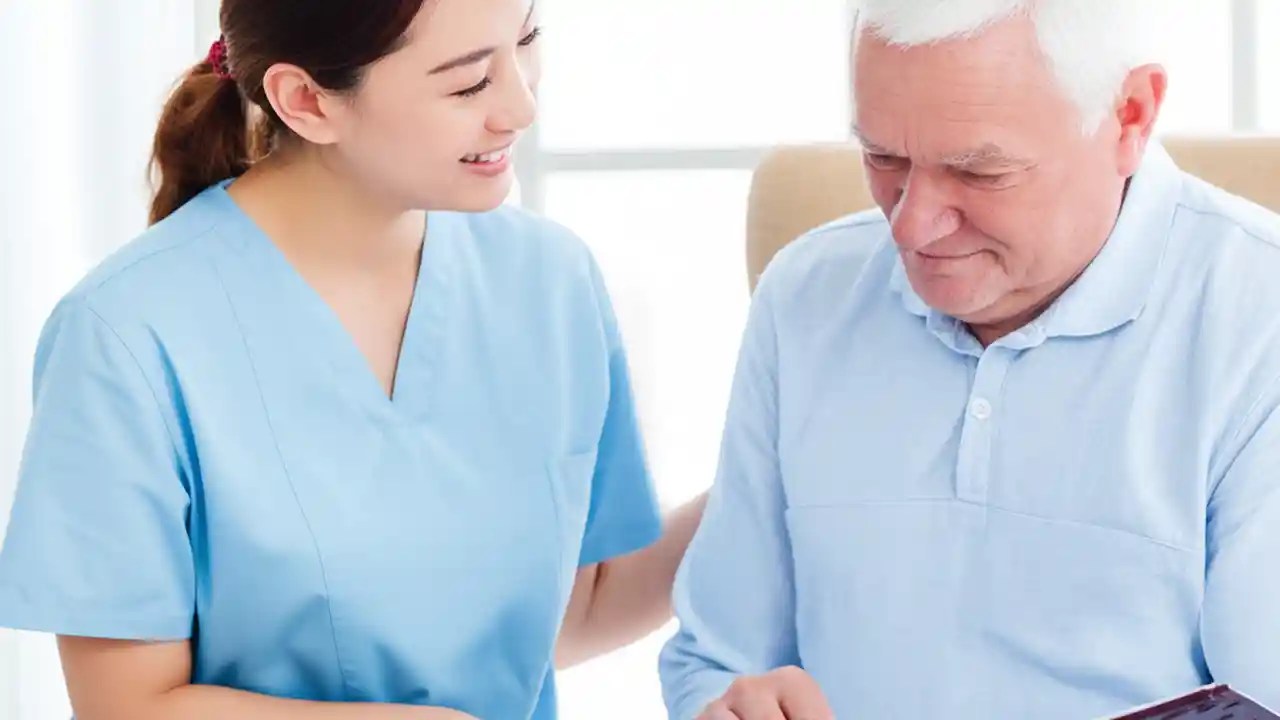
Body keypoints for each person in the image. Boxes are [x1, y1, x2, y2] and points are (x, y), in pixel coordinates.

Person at [0, 1, 705, 718]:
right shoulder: (127, 332)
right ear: (306, 101)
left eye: (525, 42)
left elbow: (571, 613)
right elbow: (127, 706)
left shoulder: (551, 282)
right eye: (467, 83)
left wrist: (772, 473)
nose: (520, 106)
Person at [659, 1, 1280, 718]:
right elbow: (716, 655)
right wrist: (725, 705)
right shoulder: (805, 297)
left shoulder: (1259, 318)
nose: (912, 225)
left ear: (1131, 117)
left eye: (979, 172)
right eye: (883, 158)